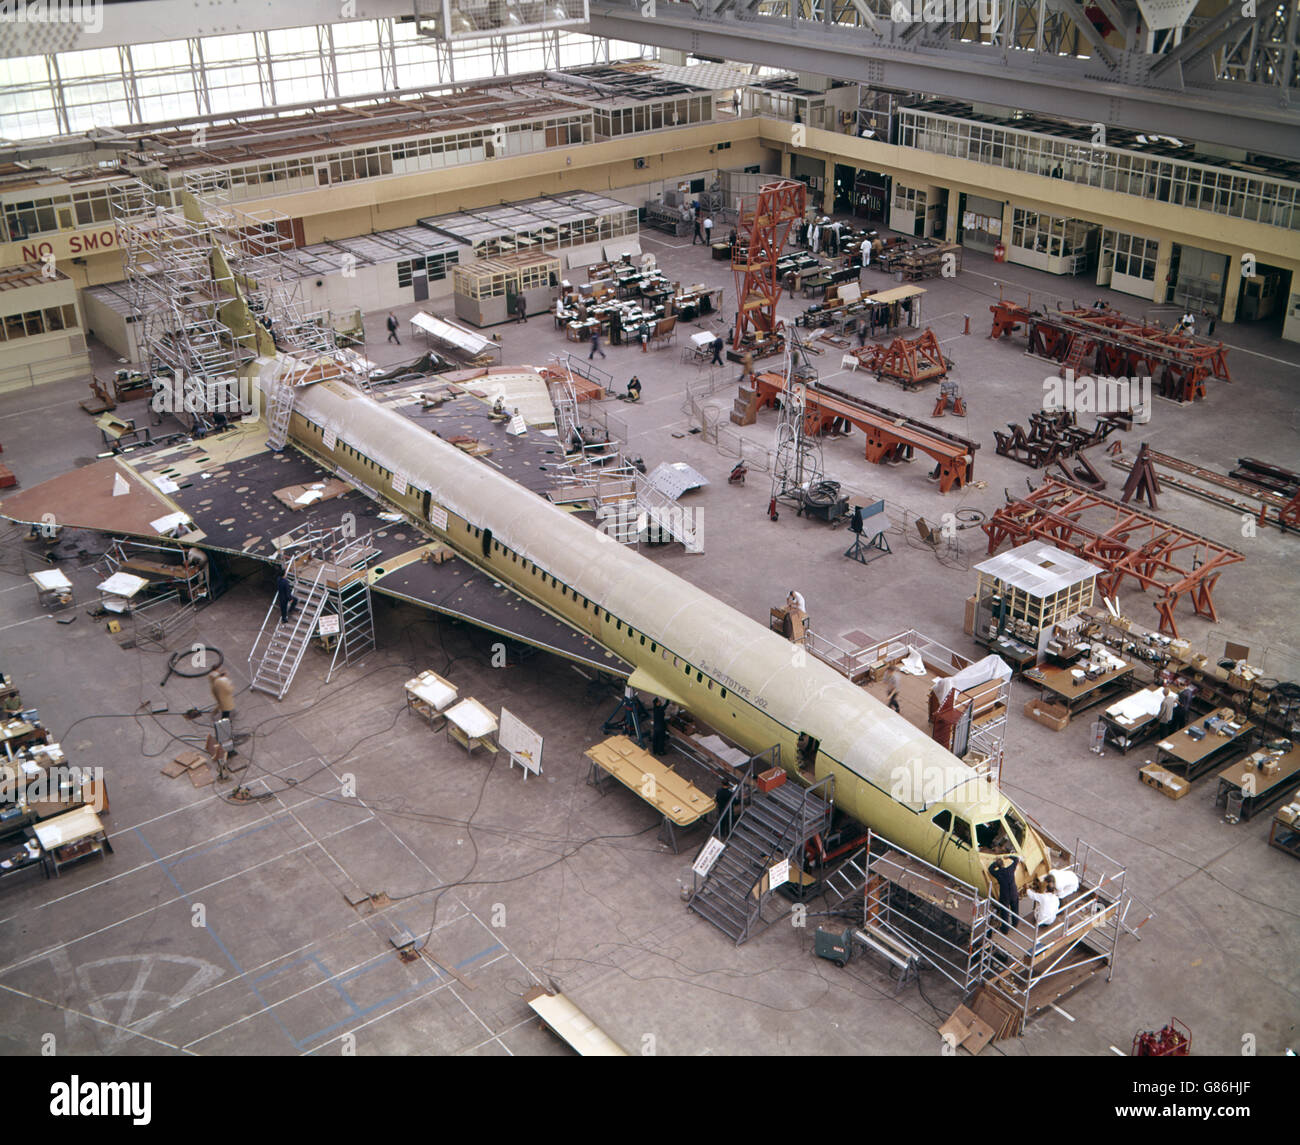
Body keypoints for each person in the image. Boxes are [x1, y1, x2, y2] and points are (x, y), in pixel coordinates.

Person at [989, 855, 1020, 934]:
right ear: (1003, 864)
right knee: (1015, 909)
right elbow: (1016, 859)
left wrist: (994, 864)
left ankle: (1005, 929)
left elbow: (990, 869)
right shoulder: (1010, 869)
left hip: (1005, 895)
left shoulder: (997, 873)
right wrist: (1008, 856)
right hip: (1013, 892)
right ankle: (1015, 923)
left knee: (1005, 913)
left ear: (997, 866)